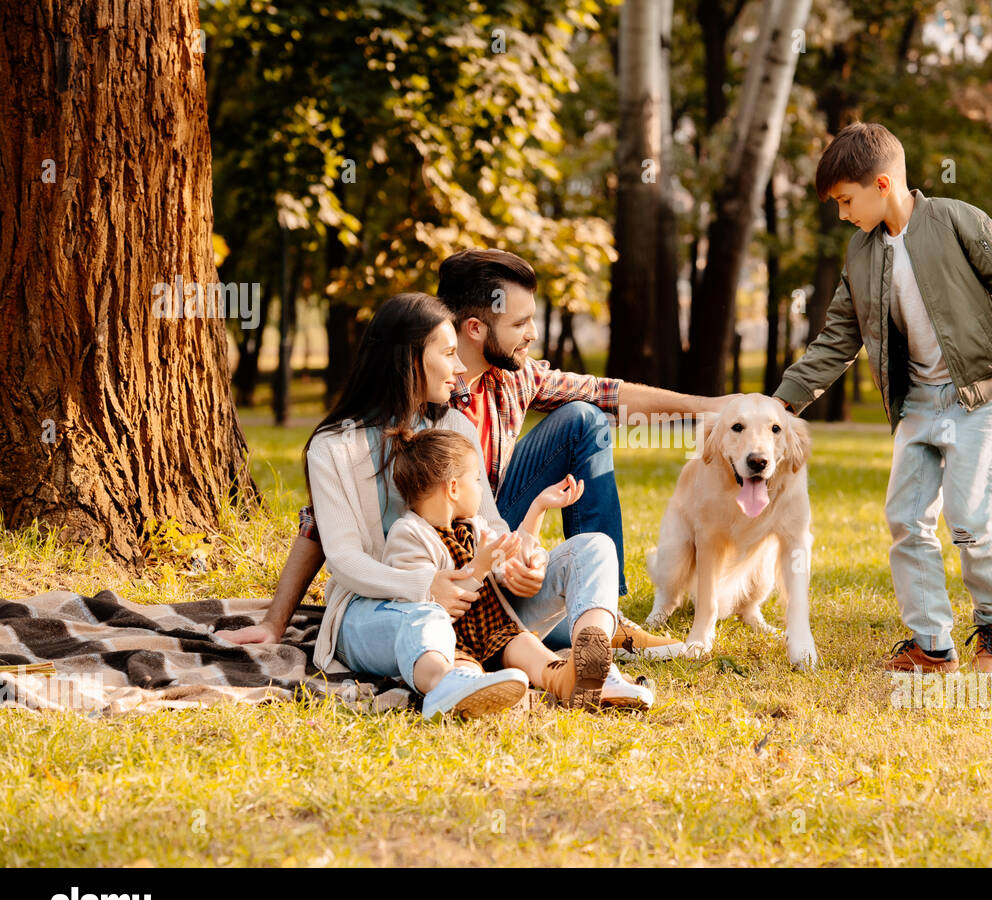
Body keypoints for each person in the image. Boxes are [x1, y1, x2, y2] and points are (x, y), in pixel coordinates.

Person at [220, 251, 734, 660]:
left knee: (585, 420)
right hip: (417, 560)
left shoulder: (506, 382)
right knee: (438, 624)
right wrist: (275, 620)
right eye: (520, 323)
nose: (531, 335)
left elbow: (606, 393)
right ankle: (542, 641)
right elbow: (332, 528)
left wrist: (709, 406)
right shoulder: (370, 429)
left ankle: (598, 621)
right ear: (473, 328)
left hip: (483, 543)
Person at [229, 292, 649, 719]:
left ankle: (594, 668)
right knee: (424, 616)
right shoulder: (333, 446)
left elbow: (488, 523)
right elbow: (343, 558)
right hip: (378, 612)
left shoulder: (455, 426)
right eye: (449, 353)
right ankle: (451, 683)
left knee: (594, 548)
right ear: (409, 359)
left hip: (483, 609)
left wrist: (515, 565)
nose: (461, 367)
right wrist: (426, 587)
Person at [772, 122, 992, 676]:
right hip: (916, 402)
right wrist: (784, 402)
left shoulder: (959, 220)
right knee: (906, 519)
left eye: (845, 201)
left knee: (968, 519)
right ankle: (932, 645)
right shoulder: (861, 253)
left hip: (976, 394)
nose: (842, 214)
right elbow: (840, 334)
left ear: (882, 184)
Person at [382, 428, 644, 710]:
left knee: (534, 654)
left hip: (497, 631)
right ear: (454, 488)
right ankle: (475, 691)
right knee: (464, 673)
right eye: (477, 480)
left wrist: (539, 507)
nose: (482, 489)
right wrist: (480, 565)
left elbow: (514, 554)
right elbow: (424, 608)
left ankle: (571, 679)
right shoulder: (408, 534)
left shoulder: (474, 526)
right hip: (451, 641)